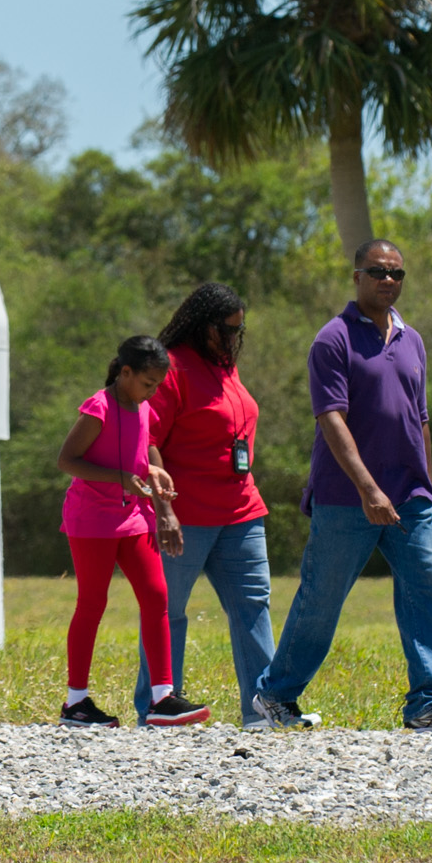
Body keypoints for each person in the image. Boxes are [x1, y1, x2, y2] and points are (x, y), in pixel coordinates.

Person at [254, 239, 432, 734]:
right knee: (322, 598)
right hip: (346, 497)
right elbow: (331, 418)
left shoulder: (412, 339)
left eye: (397, 273)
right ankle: (275, 697)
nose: (388, 281)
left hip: (410, 497)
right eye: (377, 272)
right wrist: (368, 488)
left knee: (426, 595)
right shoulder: (333, 339)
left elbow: (420, 418)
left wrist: (426, 485)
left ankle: (429, 705)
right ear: (357, 277)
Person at [131, 282, 278, 727]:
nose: (233, 338)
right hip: (185, 517)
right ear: (201, 325)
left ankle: (263, 709)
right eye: (226, 330)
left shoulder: (225, 366)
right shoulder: (172, 368)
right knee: (168, 611)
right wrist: (164, 510)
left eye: (238, 330)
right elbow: (147, 442)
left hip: (241, 510)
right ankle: (159, 707)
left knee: (254, 606)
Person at [56, 337, 211, 727]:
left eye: (157, 384)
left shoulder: (142, 407)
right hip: (92, 518)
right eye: (147, 383)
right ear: (125, 372)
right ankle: (76, 703)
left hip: (133, 516)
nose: (152, 391)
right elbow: (68, 460)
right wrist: (122, 478)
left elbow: (144, 450)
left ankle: (162, 698)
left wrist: (154, 471)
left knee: (157, 596)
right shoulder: (99, 407)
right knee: (92, 603)